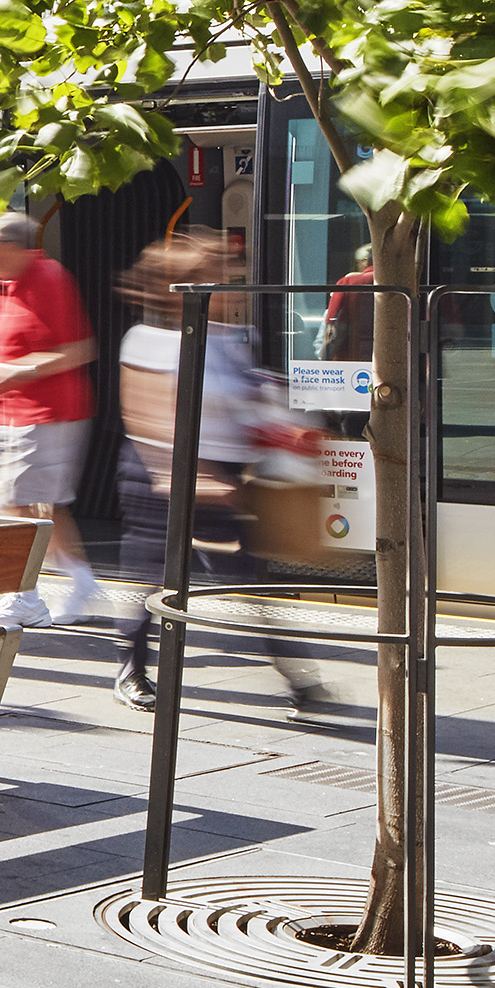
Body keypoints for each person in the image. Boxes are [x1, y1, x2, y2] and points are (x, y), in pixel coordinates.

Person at [110, 228, 324, 715]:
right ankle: (131, 667)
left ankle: (298, 677)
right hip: (162, 477)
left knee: (250, 579)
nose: (227, 286)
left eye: (225, 276)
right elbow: (147, 419)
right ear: (179, 287)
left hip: (223, 477)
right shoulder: (149, 341)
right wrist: (192, 476)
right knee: (152, 579)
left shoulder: (233, 339)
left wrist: (284, 435)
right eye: (213, 278)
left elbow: (248, 407)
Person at [0, 212, 105, 623]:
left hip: (43, 414)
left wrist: (14, 371)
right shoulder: (6, 284)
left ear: (10, 247)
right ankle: (83, 584)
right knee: (34, 505)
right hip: (16, 414)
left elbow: (81, 348)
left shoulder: (47, 277)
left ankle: (24, 599)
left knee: (15, 505)